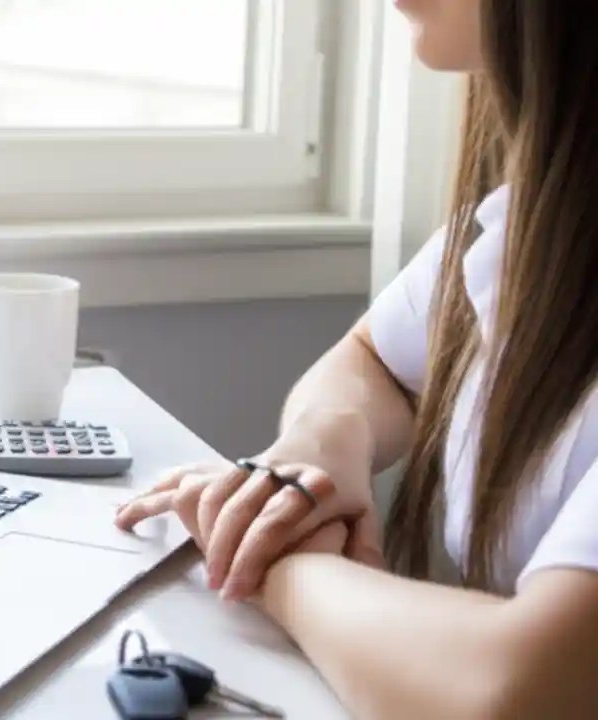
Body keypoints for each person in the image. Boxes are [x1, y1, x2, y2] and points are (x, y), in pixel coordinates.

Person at [113, 0, 598, 717]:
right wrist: (324, 440)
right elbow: (376, 357)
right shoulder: (536, 215)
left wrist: (275, 561)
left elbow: (521, 689)